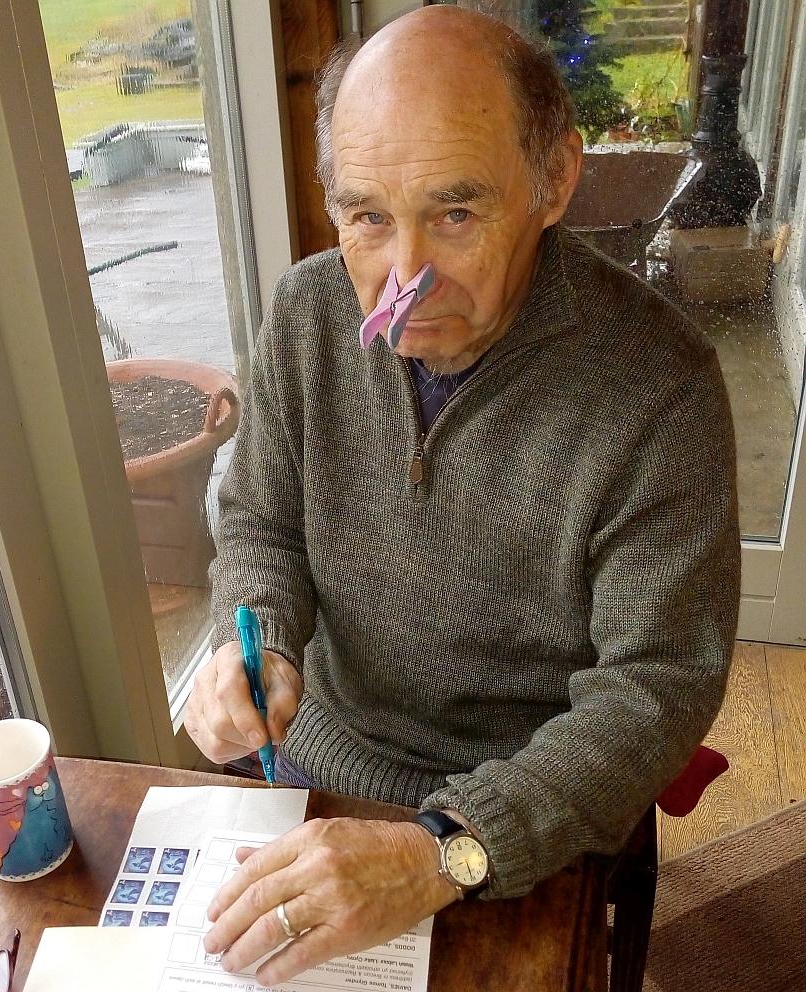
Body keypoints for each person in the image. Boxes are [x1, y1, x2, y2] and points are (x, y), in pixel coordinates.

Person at [184, 5, 740, 985]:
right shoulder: (307, 313)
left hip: (525, 816)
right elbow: (262, 522)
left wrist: (447, 848)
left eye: (455, 214)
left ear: (554, 179)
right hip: (318, 763)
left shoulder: (661, 388)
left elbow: (655, 689)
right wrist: (256, 640)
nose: (404, 280)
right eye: (366, 216)